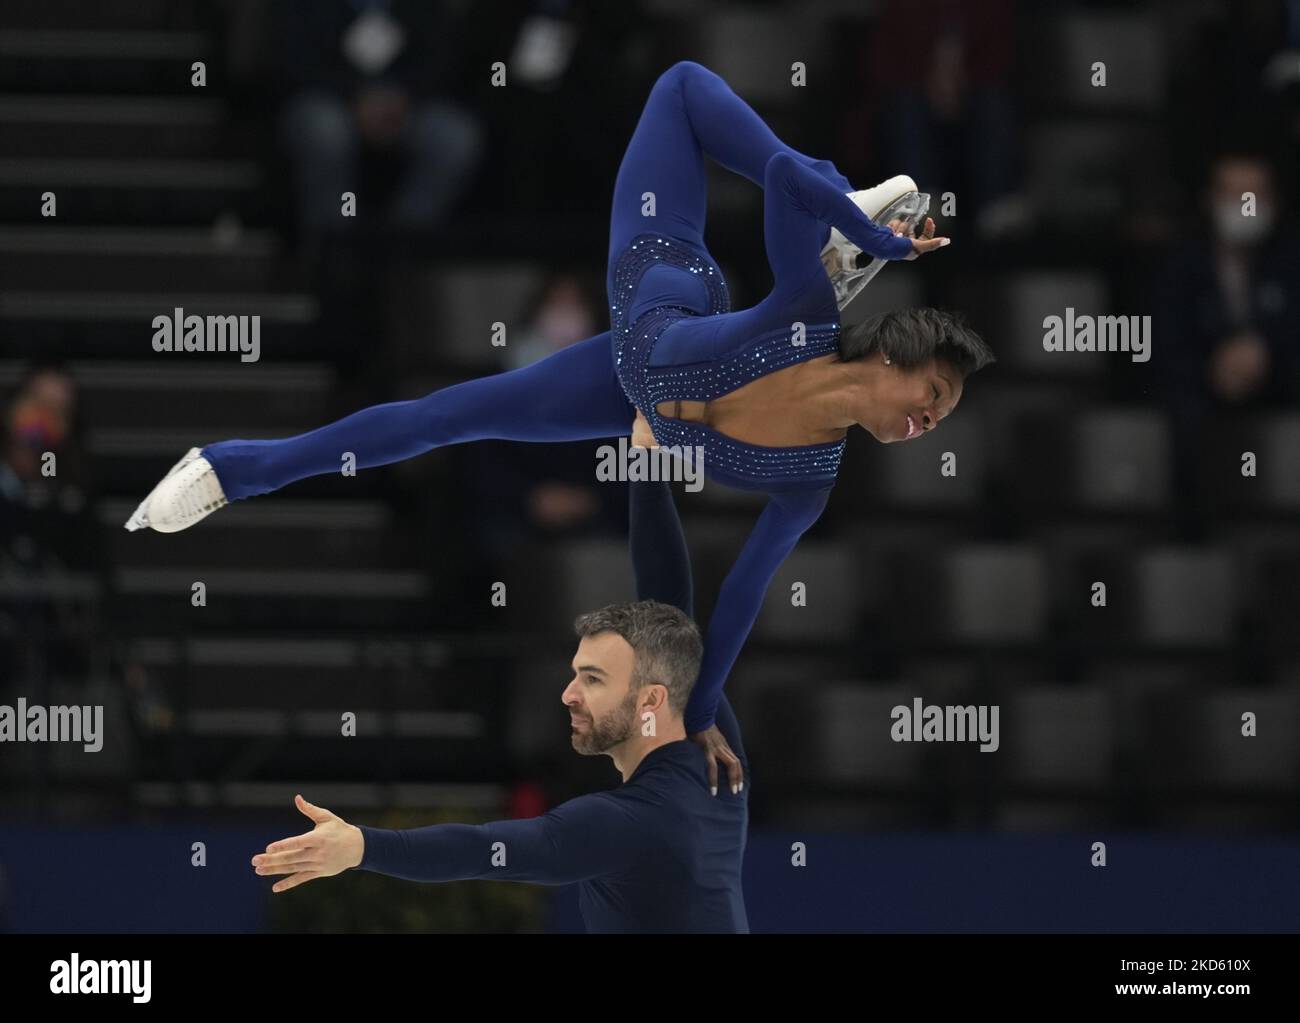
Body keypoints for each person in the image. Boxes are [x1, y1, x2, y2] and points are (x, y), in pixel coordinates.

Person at [128, 61, 995, 787]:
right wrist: (871, 236)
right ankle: (235, 467)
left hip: (633, 394)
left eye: (941, 419)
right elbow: (770, 171)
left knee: (454, 420)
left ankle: (846, 221)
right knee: (684, 90)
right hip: (662, 280)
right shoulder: (804, 314)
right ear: (894, 358)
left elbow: (735, 601)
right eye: (934, 397)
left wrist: (695, 717)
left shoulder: (811, 480)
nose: (930, 422)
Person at [250, 476, 751, 933]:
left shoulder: (624, 823)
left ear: (650, 700)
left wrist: (362, 846)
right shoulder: (717, 763)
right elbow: (669, 607)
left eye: (593, 680)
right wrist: (646, 463)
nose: (568, 694)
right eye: (575, 674)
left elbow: (485, 849)